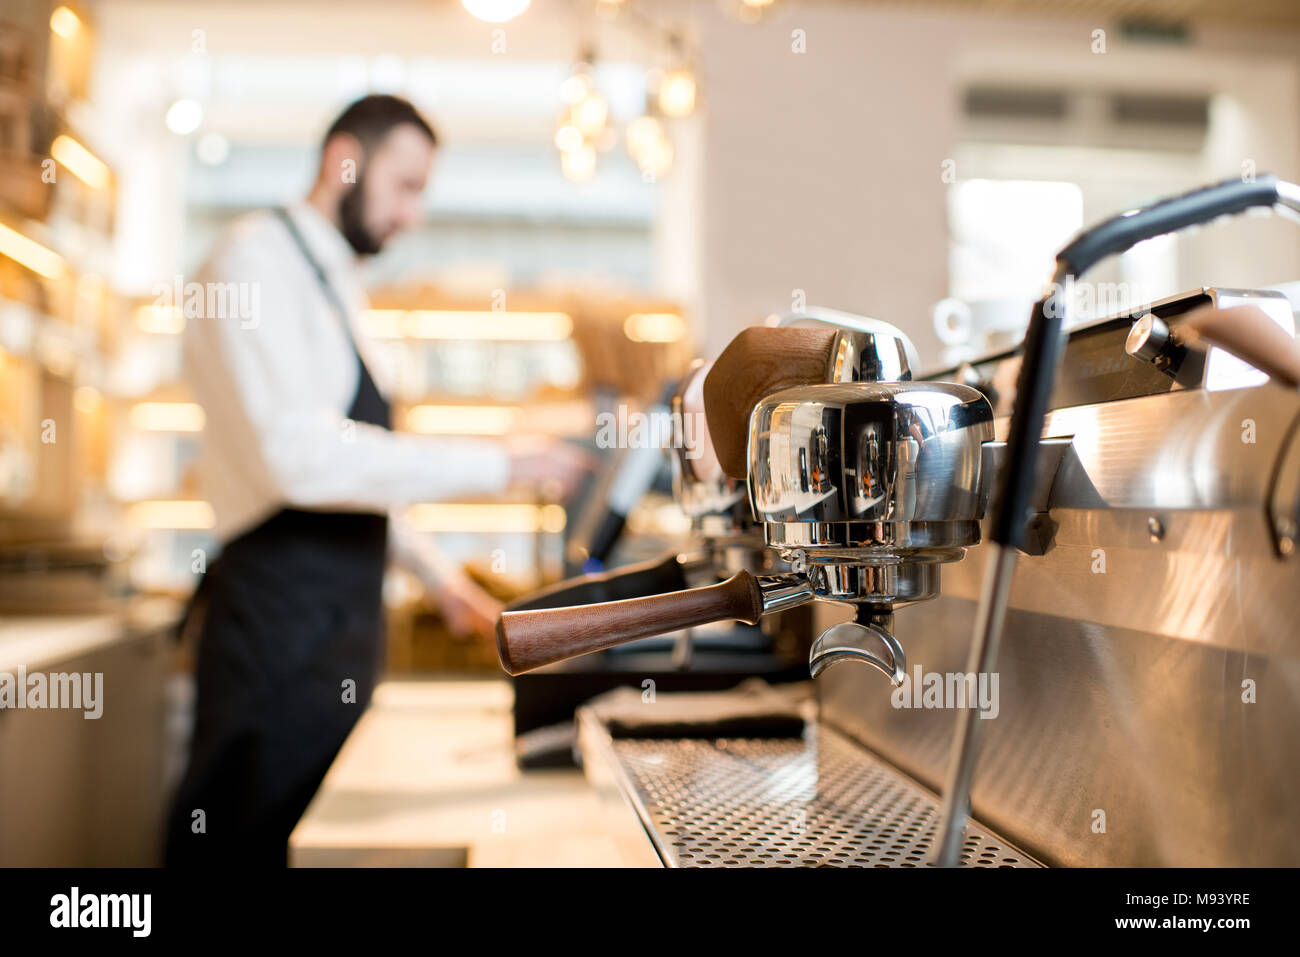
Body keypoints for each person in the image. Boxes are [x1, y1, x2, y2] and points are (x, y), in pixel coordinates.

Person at [163, 94, 586, 866]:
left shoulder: (338, 287)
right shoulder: (252, 261)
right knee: (242, 832)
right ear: (344, 162)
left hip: (339, 627)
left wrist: (438, 576)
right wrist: (503, 462)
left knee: (313, 834)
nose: (414, 214)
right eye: (406, 186)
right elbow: (302, 460)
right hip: (276, 625)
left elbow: (354, 477)